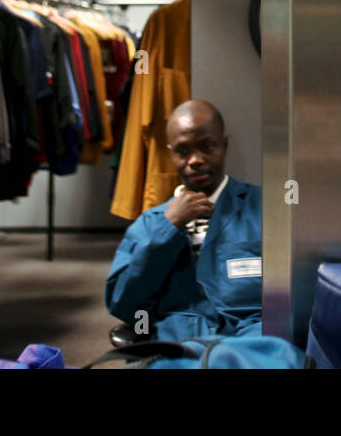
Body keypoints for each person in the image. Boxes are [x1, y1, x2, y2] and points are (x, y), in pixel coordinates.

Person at [105, 100, 262, 341]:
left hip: (252, 340)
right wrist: (167, 229)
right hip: (183, 342)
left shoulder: (262, 208)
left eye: (207, 146)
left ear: (224, 146)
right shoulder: (152, 223)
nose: (195, 160)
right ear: (171, 154)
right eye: (183, 151)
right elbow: (125, 305)